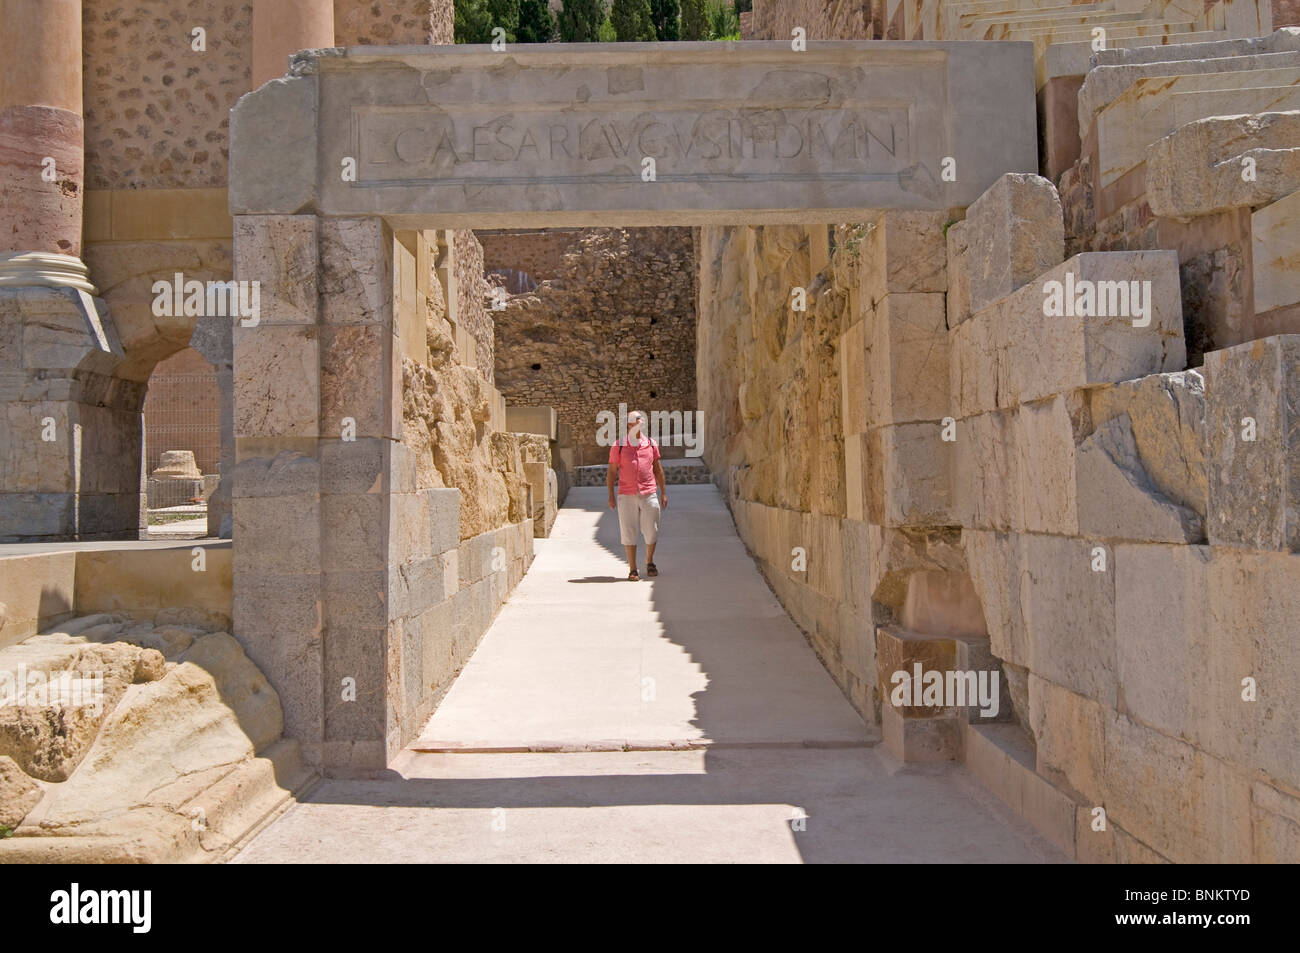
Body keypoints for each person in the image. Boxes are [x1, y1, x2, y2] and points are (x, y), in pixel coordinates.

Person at [606, 410, 667, 581]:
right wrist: (611, 495)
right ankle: (633, 568)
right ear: (630, 424)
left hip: (649, 492)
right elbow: (611, 472)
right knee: (628, 531)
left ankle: (649, 561)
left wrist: (663, 493)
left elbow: (658, 469)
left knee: (651, 530)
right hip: (626, 494)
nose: (639, 423)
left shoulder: (651, 444)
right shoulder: (618, 445)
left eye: (641, 420)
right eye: (636, 421)